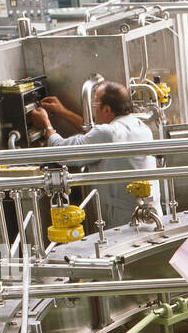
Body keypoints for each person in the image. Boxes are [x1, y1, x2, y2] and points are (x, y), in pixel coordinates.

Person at [28, 81, 160, 227]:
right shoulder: (140, 127)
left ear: (107, 109)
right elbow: (95, 135)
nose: (93, 110)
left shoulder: (107, 134)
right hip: (151, 215)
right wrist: (63, 112)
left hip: (127, 221)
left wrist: (46, 125)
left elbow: (61, 152)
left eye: (95, 106)